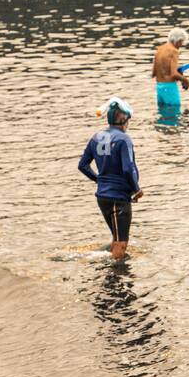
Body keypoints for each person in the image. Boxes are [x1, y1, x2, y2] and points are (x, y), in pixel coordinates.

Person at [78, 98, 142, 260]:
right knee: (121, 243)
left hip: (103, 197)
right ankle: (116, 279)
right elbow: (128, 169)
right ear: (123, 120)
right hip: (118, 198)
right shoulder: (123, 139)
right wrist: (136, 189)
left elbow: (83, 165)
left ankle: (111, 276)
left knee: (116, 238)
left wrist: (99, 181)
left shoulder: (96, 137)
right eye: (128, 120)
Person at [151, 28, 189, 113]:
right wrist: (186, 80)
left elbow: (154, 73)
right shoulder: (174, 51)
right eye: (181, 42)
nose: (181, 45)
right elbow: (173, 74)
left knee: (163, 116)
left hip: (159, 87)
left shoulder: (160, 49)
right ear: (178, 40)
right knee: (174, 115)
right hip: (170, 88)